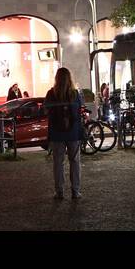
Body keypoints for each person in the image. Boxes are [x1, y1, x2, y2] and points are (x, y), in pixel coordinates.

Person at [44, 68, 84, 201]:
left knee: (58, 163)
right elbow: (79, 112)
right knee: (75, 161)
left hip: (57, 133)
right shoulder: (74, 93)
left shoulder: (51, 93)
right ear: (69, 78)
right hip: (73, 133)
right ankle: (75, 191)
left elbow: (46, 111)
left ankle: (59, 191)